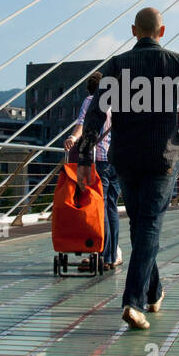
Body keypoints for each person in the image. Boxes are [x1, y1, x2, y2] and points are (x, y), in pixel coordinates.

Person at [79, 7, 179, 331]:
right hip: (162, 158)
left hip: (125, 158)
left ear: (134, 30)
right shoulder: (178, 64)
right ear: (162, 32)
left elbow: (96, 114)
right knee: (147, 227)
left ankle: (154, 291)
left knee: (141, 226)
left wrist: (85, 156)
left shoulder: (117, 65)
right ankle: (133, 302)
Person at [65, 71, 120, 272]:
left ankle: (101, 255)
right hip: (117, 161)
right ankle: (112, 256)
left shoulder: (90, 100)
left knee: (99, 207)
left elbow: (81, 124)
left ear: (90, 88)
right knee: (112, 207)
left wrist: (73, 138)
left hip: (97, 161)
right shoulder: (118, 102)